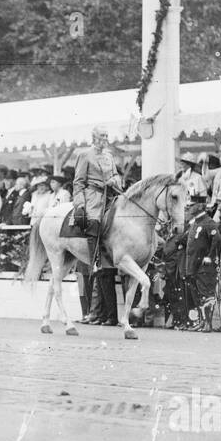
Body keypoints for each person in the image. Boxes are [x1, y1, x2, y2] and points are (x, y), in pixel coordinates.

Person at [73, 126, 124, 327]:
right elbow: (78, 182)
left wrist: (115, 179)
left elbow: (117, 176)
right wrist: (80, 204)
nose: (105, 139)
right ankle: (95, 257)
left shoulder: (110, 156)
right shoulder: (84, 155)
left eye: (106, 136)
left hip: (110, 195)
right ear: (94, 137)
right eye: (102, 136)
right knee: (94, 223)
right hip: (93, 198)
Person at [182, 201, 221, 332]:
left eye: (191, 205)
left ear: (199, 206)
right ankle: (201, 321)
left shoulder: (208, 222)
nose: (188, 208)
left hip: (204, 267)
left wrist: (210, 256)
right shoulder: (196, 222)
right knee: (198, 296)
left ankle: (208, 323)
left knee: (206, 295)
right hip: (194, 267)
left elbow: (217, 240)